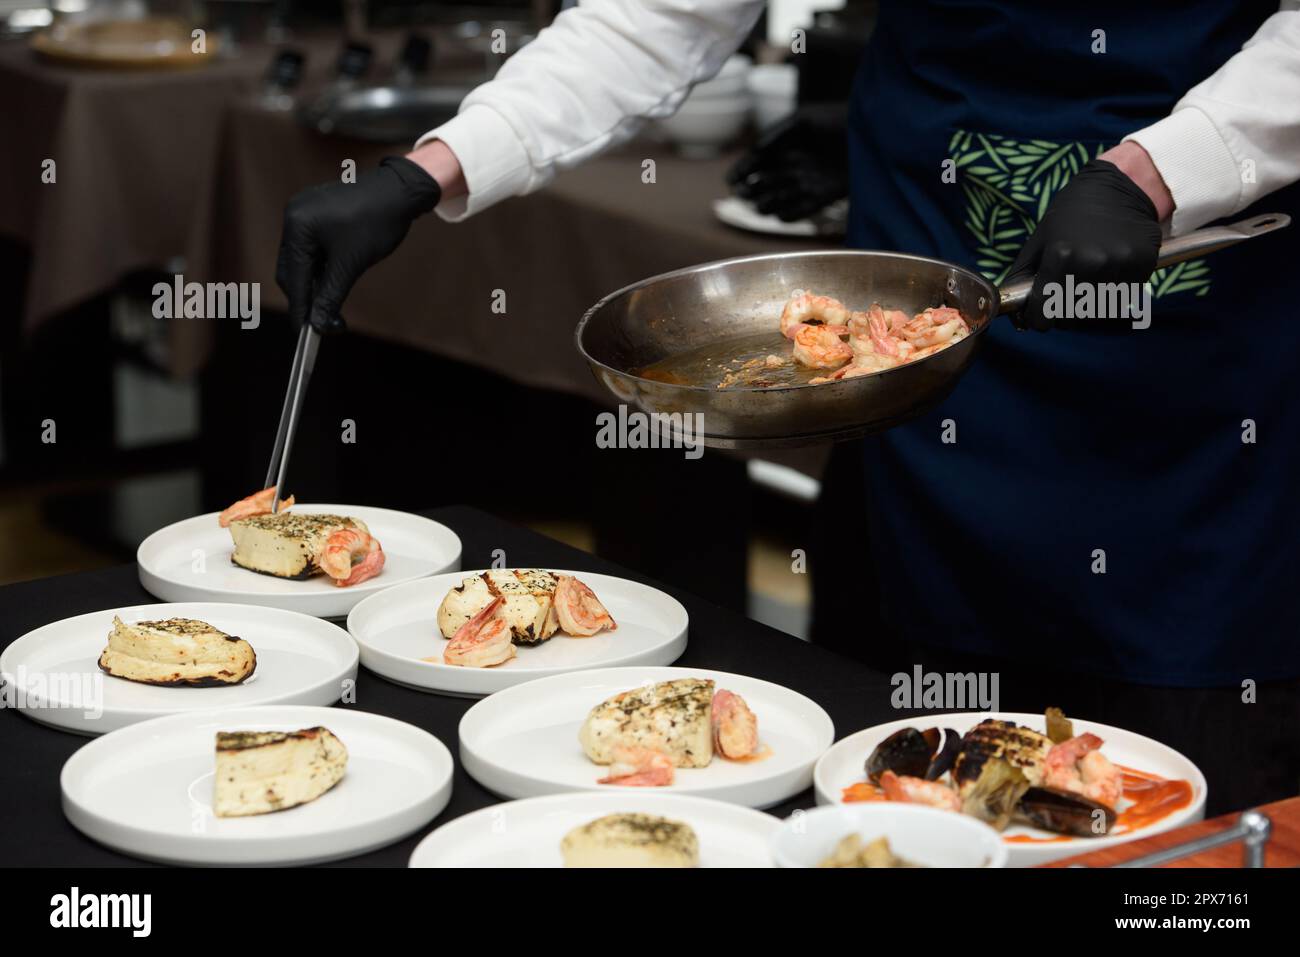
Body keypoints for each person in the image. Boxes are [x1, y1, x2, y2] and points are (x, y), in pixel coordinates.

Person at [275, 2, 1300, 815]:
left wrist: (1161, 170)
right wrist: (430, 167)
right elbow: (666, 15)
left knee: (1171, 816)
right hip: (919, 340)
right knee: (878, 777)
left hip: (1189, 390)